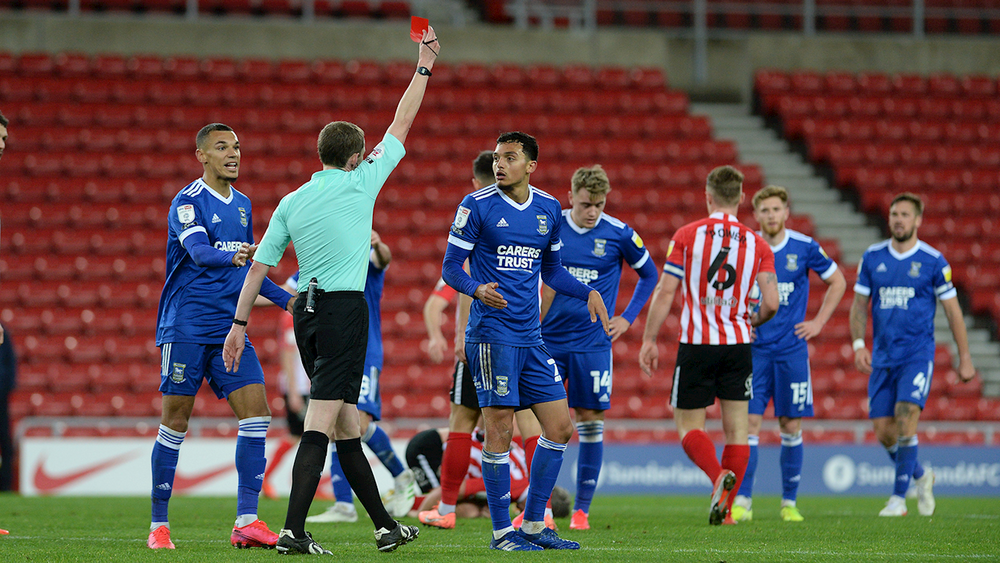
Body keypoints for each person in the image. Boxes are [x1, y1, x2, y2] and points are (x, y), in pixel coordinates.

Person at [222, 27, 440, 555]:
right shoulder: (361, 181)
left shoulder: (291, 201)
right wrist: (425, 65)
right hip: (344, 310)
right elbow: (402, 121)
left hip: (306, 312)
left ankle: (385, 526)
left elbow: (258, 270)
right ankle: (293, 531)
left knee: (346, 427)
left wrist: (239, 324)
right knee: (321, 423)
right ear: (355, 157)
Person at [441, 131, 610, 551]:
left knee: (561, 427)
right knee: (499, 430)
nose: (499, 164)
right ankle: (502, 534)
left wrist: (586, 292)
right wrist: (476, 289)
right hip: (491, 336)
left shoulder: (548, 208)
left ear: (531, 165)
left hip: (531, 338)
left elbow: (551, 271)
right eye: (497, 157)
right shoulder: (476, 205)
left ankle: (533, 524)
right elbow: (450, 268)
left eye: (510, 157)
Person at [149, 123, 296, 550]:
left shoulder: (244, 204)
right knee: (175, 422)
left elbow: (250, 271)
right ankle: (159, 525)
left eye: (236, 146)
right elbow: (199, 252)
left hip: (229, 328)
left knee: (257, 415)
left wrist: (289, 301)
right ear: (201, 155)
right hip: (186, 326)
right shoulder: (187, 201)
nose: (233, 153)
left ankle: (246, 520)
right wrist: (233, 257)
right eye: (221, 147)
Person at [638, 165, 779, 526]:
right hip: (738, 345)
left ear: (708, 196)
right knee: (738, 431)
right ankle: (727, 512)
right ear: (742, 197)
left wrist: (649, 339)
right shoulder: (758, 244)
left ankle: (717, 477)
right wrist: (751, 321)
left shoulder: (687, 235)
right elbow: (772, 303)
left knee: (688, 426)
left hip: (698, 343)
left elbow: (666, 290)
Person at [419, 150, 548, 532]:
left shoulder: (479, 217)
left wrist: (459, 334)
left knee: (462, 420)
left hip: (485, 338)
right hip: (525, 336)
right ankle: (540, 512)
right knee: (529, 423)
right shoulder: (532, 219)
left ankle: (447, 508)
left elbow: (457, 287)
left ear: (477, 182)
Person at [538, 164, 658, 531]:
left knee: (590, 420)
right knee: (542, 423)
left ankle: (582, 512)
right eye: (586, 204)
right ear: (570, 197)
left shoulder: (619, 233)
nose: (593, 212)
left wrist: (628, 318)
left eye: (599, 205)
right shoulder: (550, 225)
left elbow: (650, 274)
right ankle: (540, 508)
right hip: (548, 341)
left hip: (592, 344)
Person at [849, 192, 976, 517]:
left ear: (918, 220)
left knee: (905, 417)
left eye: (905, 214)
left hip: (916, 355)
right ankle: (920, 474)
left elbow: (952, 311)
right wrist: (859, 344)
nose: (898, 220)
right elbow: (859, 305)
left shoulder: (933, 261)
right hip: (882, 357)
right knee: (883, 431)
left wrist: (964, 357)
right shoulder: (873, 257)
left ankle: (897, 499)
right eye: (894, 214)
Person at [730, 186, 846, 523]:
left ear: (786, 212)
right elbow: (728, 287)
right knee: (749, 423)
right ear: (756, 214)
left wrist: (818, 322)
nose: (771, 215)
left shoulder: (805, 246)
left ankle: (789, 503)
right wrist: (740, 321)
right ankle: (743, 501)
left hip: (791, 350)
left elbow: (838, 281)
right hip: (753, 351)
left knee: (790, 424)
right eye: (764, 210)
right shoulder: (745, 245)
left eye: (776, 209)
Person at [306, 231, 419, 523]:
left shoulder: (362, 259)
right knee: (336, 426)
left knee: (360, 423)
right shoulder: (321, 261)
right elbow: (291, 289)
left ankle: (401, 474)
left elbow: (383, 259)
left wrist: (378, 244)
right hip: (334, 352)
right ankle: (344, 505)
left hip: (365, 351)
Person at [406, 428, 571, 521]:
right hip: (430, 449)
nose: (520, 512)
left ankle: (405, 504)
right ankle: (411, 511)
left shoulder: (526, 476)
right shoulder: (513, 484)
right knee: (447, 501)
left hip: (445, 441)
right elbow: (454, 489)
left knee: (469, 509)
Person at [0, 323, 15, 493]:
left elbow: (10, 362)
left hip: (1, 398)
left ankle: (5, 485)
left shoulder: (4, 333)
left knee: (5, 441)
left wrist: (5, 388)